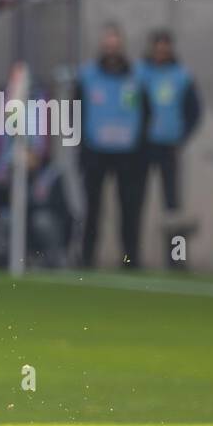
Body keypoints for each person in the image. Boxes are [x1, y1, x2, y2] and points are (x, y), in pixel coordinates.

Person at [76, 24, 149, 270]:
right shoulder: (87, 76)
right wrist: (81, 150)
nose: (111, 51)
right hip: (96, 152)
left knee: (129, 209)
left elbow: (148, 113)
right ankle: (87, 258)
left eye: (115, 46)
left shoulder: (138, 76)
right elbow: (76, 113)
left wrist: (141, 146)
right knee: (93, 208)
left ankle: (130, 259)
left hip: (129, 153)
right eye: (107, 46)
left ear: (122, 47)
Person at [136, 29, 201, 266]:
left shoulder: (181, 75)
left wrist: (181, 137)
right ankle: (132, 256)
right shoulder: (139, 73)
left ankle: (176, 258)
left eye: (165, 47)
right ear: (152, 48)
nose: (161, 51)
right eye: (158, 47)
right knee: (136, 201)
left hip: (169, 147)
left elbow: (194, 111)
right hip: (143, 147)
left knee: (173, 206)